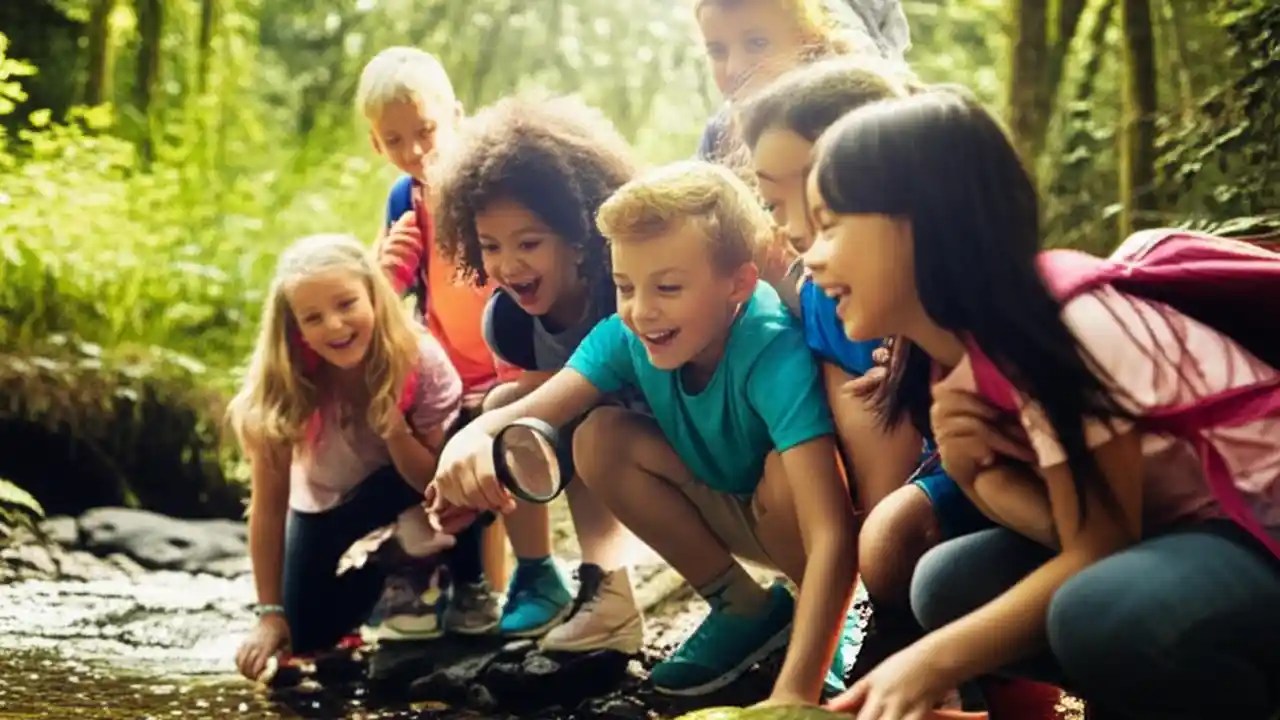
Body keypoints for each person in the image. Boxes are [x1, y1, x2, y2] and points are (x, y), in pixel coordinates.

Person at [807, 88, 1280, 720]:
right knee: (949, 581)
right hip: (1187, 538)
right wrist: (981, 475)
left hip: (1258, 532)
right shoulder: (961, 369)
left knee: (1099, 610)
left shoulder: (1062, 329)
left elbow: (1104, 548)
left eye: (830, 225)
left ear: (920, 222)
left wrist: (931, 662)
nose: (810, 256)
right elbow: (1084, 533)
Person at [431, 161, 862, 705]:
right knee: (599, 436)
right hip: (730, 499)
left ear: (738, 283)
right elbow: (539, 405)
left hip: (811, 533)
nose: (641, 310)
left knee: (783, 475)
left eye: (668, 287)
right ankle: (742, 606)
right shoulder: (629, 335)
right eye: (623, 286)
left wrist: (794, 692)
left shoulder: (772, 351)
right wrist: (470, 439)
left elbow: (831, 531)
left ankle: (839, 621)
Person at [430, 95, 645, 651]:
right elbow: (537, 406)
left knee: (541, 409)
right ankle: (540, 574)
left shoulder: (621, 291)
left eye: (529, 243)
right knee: (504, 404)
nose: (507, 265)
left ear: (578, 239)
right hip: (598, 437)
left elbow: (618, 378)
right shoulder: (509, 322)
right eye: (491, 247)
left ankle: (608, 588)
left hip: (666, 433)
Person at [229, 234, 463, 681]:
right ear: (295, 328)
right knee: (305, 635)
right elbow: (269, 507)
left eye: (346, 304)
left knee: (472, 440)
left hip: (406, 480)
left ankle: (435, 567)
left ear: (374, 296)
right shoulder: (282, 385)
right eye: (313, 318)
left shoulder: (420, 359)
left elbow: (434, 479)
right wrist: (269, 614)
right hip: (328, 499)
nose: (334, 326)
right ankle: (387, 563)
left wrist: (394, 428)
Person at [355, 46, 509, 635]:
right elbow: (384, 302)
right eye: (396, 141)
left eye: (426, 131)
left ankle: (481, 589)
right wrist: (382, 274)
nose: (416, 151)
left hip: (501, 368)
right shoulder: (403, 199)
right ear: (377, 145)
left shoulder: (484, 188)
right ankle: (430, 576)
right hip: (444, 367)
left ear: (457, 117)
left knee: (476, 461)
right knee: (421, 454)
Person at [694, 0, 910, 163]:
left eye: (757, 43)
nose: (734, 68)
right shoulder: (719, 137)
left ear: (808, 43)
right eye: (717, 51)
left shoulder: (856, 121)